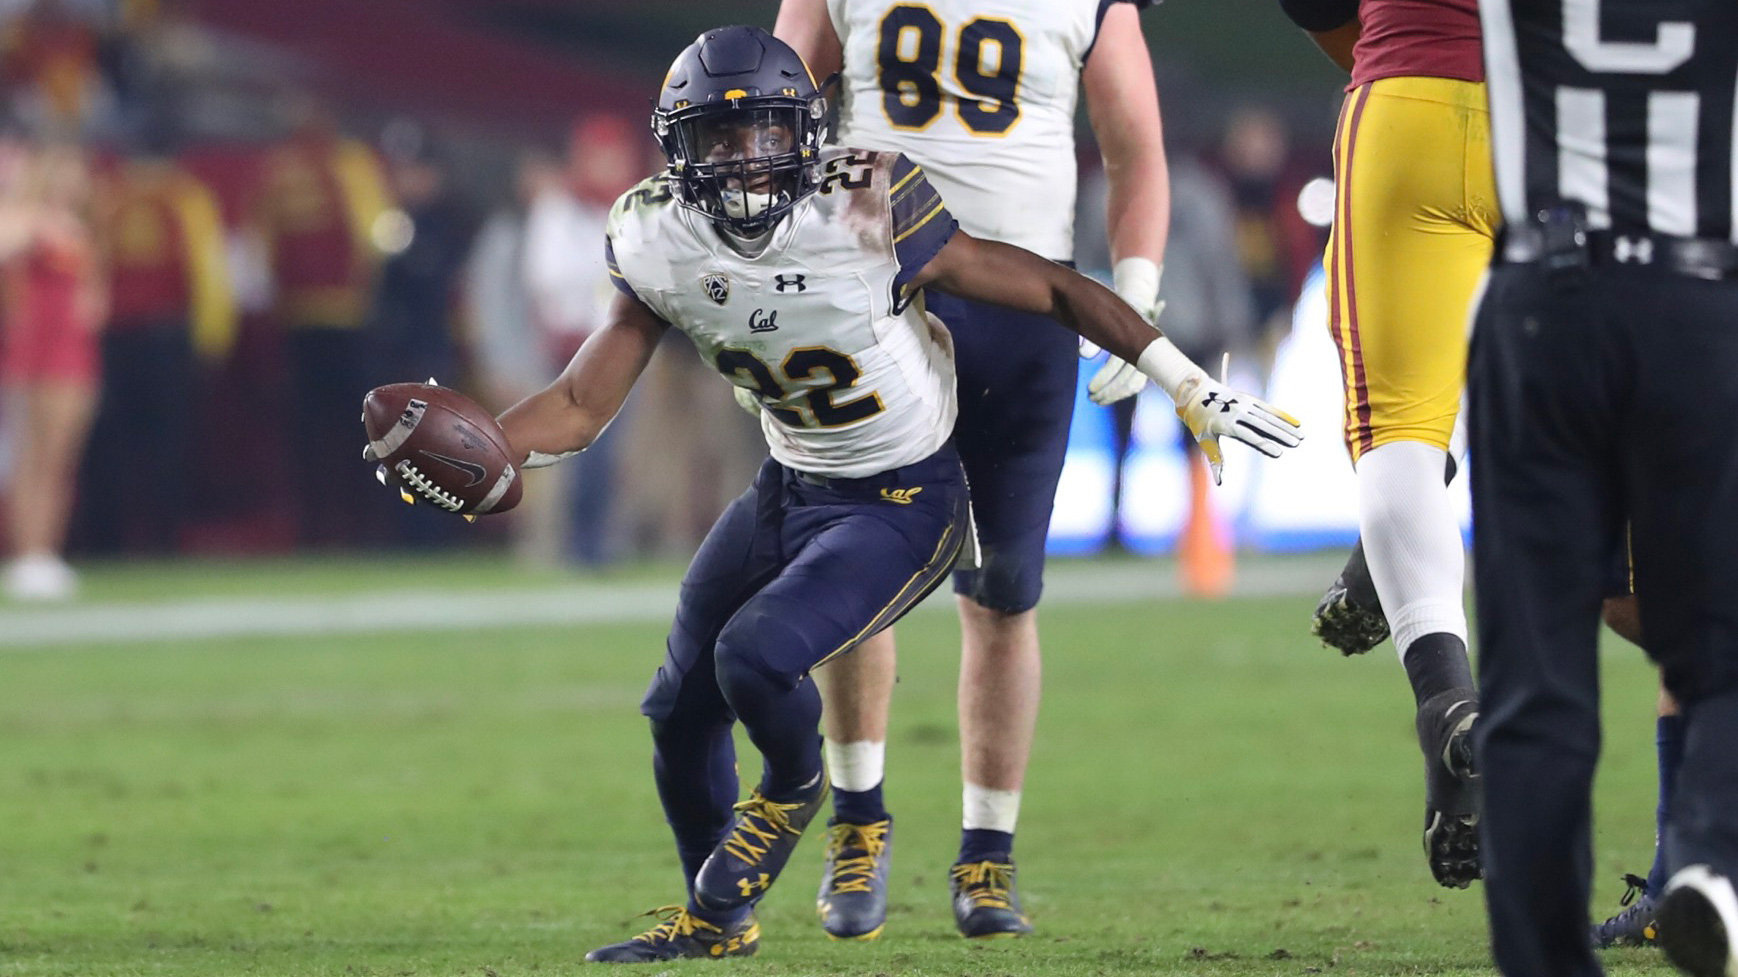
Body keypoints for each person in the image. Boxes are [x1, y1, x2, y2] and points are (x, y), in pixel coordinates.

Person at [403, 26, 1298, 962]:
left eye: (766, 135)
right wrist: (492, 448)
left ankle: (797, 783)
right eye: (719, 138)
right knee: (677, 705)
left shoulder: (867, 200)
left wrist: (1184, 380)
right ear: (678, 147)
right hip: (792, 481)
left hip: (904, 498)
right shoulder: (654, 231)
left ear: (810, 128)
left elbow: (1048, 283)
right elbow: (585, 401)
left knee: (757, 654)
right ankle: (718, 919)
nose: (746, 159)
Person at [773, 0, 1170, 938]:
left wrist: (1138, 289)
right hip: (874, 298)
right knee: (851, 570)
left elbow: (1135, 148)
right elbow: (776, 99)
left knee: (1001, 589)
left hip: (1024, 303)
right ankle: (857, 819)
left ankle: (988, 853)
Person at [1469, 1, 1738, 974]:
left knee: (1533, 675)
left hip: (1544, 294)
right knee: (1721, 649)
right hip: (1698, 296)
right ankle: (1710, 859)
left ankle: (1541, 960)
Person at [1274, 0, 1491, 888]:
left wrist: (1389, 65)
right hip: (1583, 118)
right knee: (1547, 381)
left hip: (1414, 91)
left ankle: (1447, 696)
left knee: (1397, 421)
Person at [0, 141, 104, 600]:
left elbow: (95, 300)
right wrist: (35, 220)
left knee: (59, 459)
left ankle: (47, 553)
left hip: (71, 351)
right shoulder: (21, 219)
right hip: (28, 350)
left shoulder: (85, 231)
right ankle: (25, 555)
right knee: (28, 455)